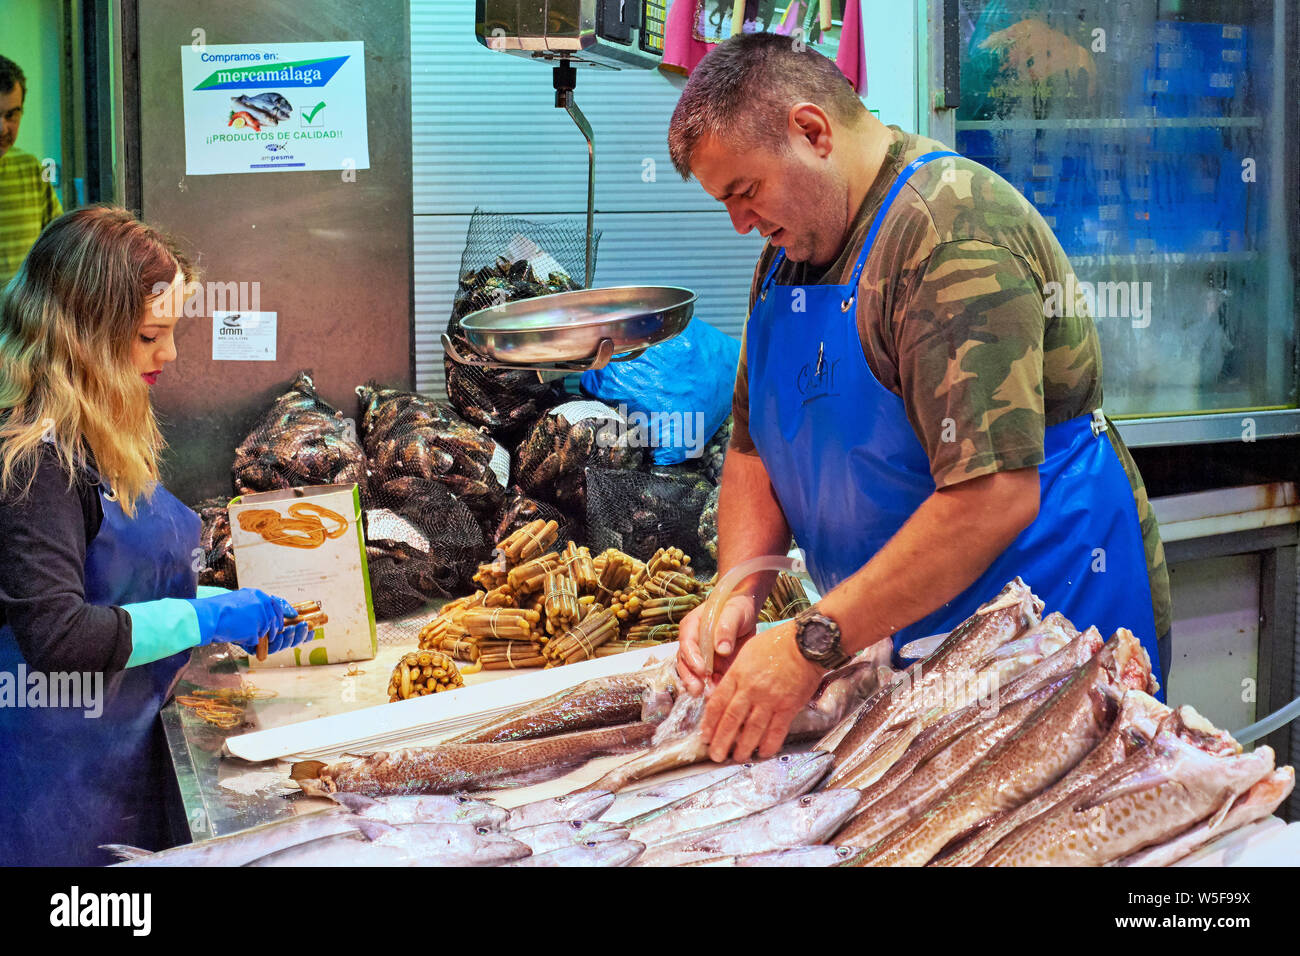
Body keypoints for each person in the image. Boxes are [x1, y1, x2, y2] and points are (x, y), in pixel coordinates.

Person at [667, 34, 1170, 765]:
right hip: (903, 634)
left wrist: (811, 643)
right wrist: (738, 588)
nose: (740, 223)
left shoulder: (950, 237)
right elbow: (753, 448)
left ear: (812, 131)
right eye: (726, 202)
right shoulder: (787, 255)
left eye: (746, 192)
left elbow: (990, 497)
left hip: (1045, 637)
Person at [0, 206, 313, 865]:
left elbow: (113, 583)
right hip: (47, 796)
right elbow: (59, 637)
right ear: (82, 334)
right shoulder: (33, 464)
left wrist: (222, 609)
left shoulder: (96, 435)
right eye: (149, 336)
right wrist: (204, 618)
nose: (169, 354)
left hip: (112, 760)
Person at [0, 55, 63, 287]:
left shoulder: (32, 169)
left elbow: (60, 247)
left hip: (20, 311)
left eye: (11, 115)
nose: (2, 128)